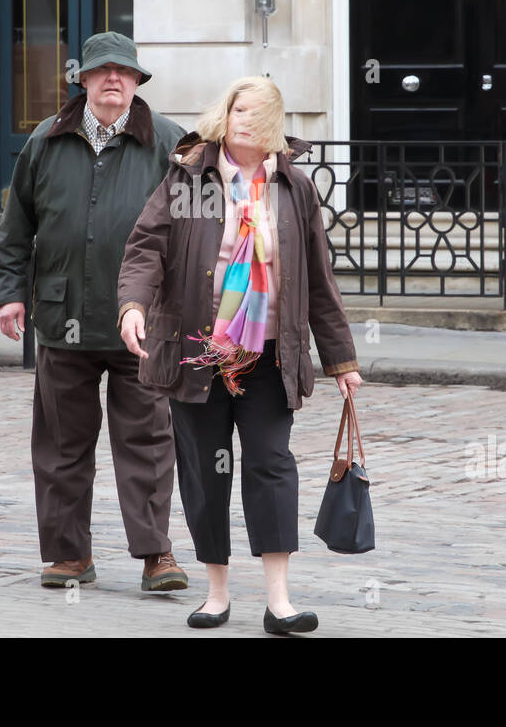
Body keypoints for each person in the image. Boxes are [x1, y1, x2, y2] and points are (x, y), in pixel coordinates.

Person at [117, 76, 362, 634]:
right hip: (199, 351)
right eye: (235, 107)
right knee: (206, 470)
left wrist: (342, 361)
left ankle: (279, 600)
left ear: (274, 121)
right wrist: (132, 305)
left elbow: (319, 280)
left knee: (272, 465)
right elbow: (146, 248)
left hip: (271, 353)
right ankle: (216, 592)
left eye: (255, 110)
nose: (242, 118)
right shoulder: (192, 175)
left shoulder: (293, 188)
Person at [0, 31, 191, 592]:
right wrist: (10, 291)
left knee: (148, 441)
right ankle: (68, 555)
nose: (112, 80)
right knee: (60, 444)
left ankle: (157, 555)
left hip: (143, 325)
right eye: (101, 71)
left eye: (123, 73)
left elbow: (196, 234)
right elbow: (16, 230)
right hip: (62, 318)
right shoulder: (45, 142)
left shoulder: (169, 144)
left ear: (136, 82)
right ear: (81, 80)